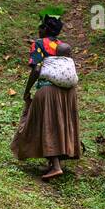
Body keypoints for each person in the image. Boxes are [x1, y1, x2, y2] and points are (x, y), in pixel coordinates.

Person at [11, 11, 81, 180]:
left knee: (46, 123)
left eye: (40, 26)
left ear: (44, 29)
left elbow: (36, 69)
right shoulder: (62, 45)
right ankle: (55, 161)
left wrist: (27, 90)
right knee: (60, 122)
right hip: (68, 92)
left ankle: (55, 166)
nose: (38, 30)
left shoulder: (39, 44)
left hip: (48, 90)